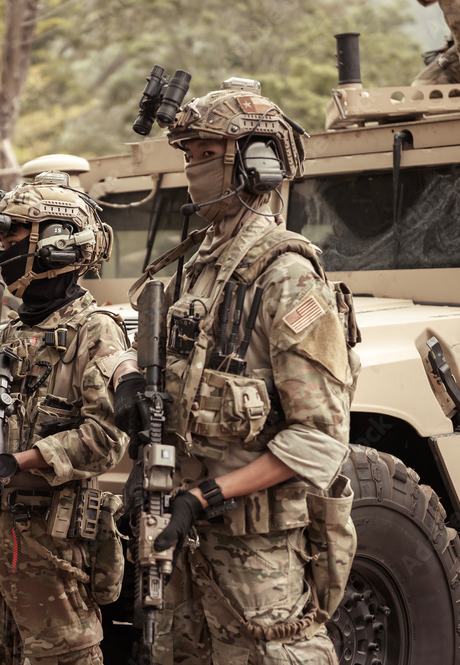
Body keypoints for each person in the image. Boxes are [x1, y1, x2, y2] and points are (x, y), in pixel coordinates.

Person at [111, 80, 360, 664]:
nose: (191, 169)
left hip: (257, 545)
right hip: (181, 531)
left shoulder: (288, 274)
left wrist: (205, 496)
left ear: (255, 163)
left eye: (204, 155)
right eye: (188, 154)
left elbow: (320, 438)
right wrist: (129, 379)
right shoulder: (195, 263)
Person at [0, 171, 129, 665]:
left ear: (57, 243)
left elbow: (107, 437)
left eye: (15, 234)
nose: (3, 247)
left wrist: (20, 460)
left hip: (48, 537)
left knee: (62, 657)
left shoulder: (94, 331)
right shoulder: (7, 329)